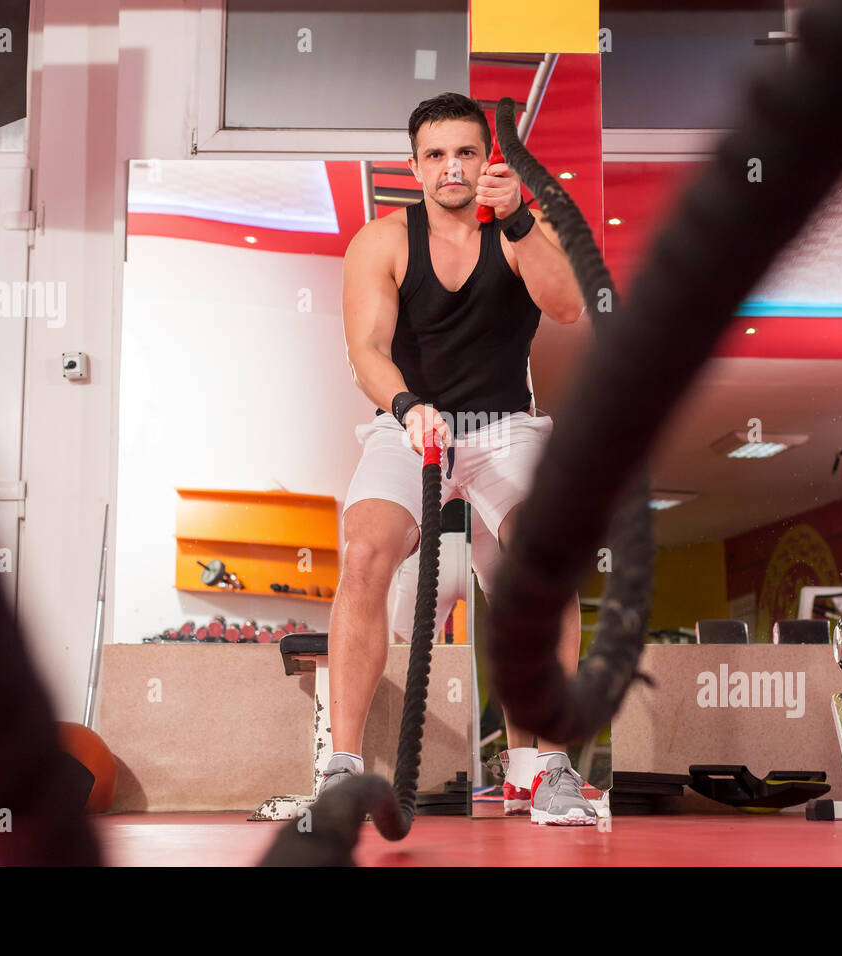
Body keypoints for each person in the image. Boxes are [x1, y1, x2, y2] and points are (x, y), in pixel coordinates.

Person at [324, 92, 596, 825]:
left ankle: (544, 766)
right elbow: (365, 354)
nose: (453, 167)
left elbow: (569, 306)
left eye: (466, 152)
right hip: (409, 422)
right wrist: (409, 409)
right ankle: (341, 766)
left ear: (487, 161)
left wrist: (517, 219)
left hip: (505, 426)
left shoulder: (516, 233)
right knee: (364, 551)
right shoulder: (381, 242)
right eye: (437, 154)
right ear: (414, 167)